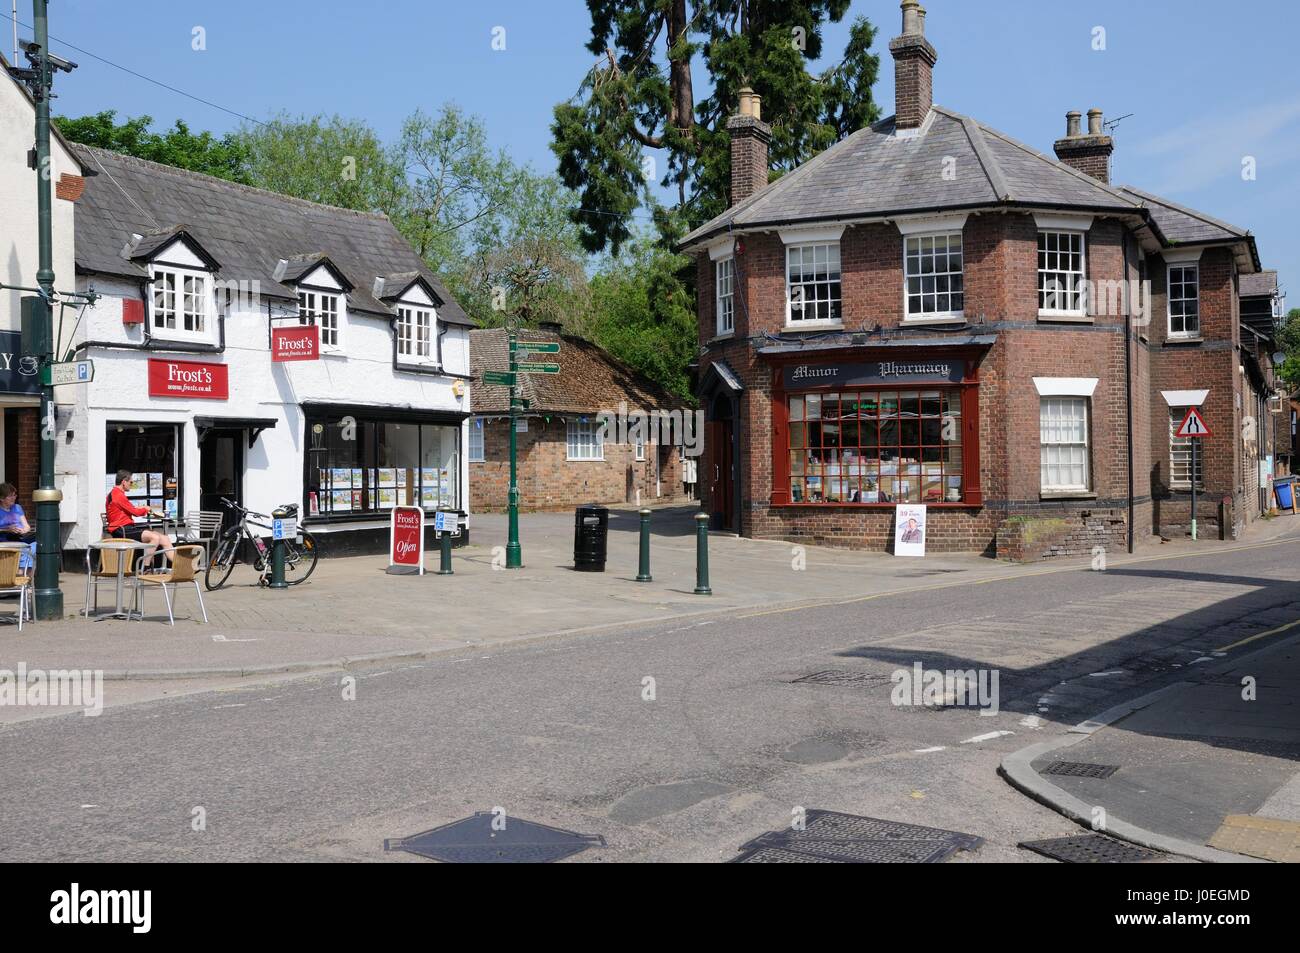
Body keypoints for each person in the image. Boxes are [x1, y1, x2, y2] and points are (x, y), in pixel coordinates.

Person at [105, 469, 173, 569]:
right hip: (121, 530)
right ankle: (145, 568)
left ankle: (182, 566)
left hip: (126, 528)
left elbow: (130, 509)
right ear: (124, 482)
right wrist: (145, 509)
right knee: (155, 538)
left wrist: (142, 508)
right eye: (131, 482)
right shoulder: (118, 495)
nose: (131, 484)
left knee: (165, 539)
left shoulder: (116, 493)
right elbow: (136, 513)